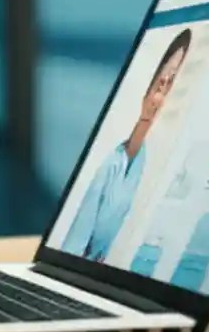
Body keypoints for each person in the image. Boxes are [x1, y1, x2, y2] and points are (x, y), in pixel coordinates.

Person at [60, 28, 193, 263]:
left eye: (170, 81)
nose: (162, 86)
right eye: (161, 78)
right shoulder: (112, 162)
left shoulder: (149, 164)